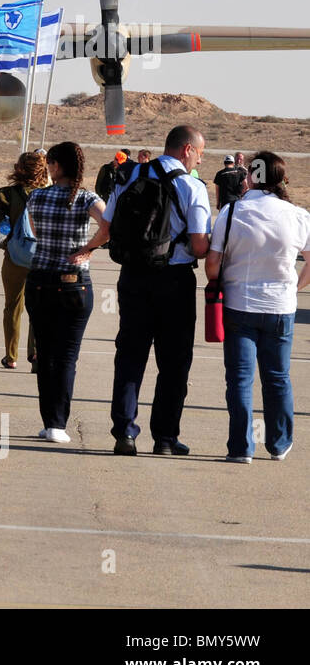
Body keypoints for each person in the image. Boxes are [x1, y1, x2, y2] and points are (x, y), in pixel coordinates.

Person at [103, 125, 211, 457]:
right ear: (188, 150)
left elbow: (107, 225)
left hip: (133, 277)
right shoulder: (192, 187)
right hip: (174, 280)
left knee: (130, 355)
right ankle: (165, 438)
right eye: (201, 154)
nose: (200, 162)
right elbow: (198, 246)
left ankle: (125, 433)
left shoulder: (129, 177)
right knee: (174, 362)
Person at [206, 152, 309, 462]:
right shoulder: (298, 215)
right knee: (278, 377)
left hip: (239, 306)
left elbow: (212, 266)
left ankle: (241, 447)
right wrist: (294, 286)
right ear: (281, 179)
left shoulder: (231, 211)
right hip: (281, 307)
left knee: (239, 378)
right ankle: (279, 443)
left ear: (250, 177)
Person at [26, 143, 109, 442]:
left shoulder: (36, 196)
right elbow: (108, 225)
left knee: (45, 354)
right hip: (74, 282)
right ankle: (58, 423)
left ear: (57, 167)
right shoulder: (87, 197)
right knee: (66, 356)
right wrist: (88, 248)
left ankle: (50, 421)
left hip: (39, 279)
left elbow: (36, 232)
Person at [0, 152, 47, 369]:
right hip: (42, 258)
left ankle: (11, 356)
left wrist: (12, 226)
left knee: (13, 306)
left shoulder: (7, 194)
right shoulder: (49, 194)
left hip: (14, 255)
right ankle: (35, 354)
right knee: (39, 308)